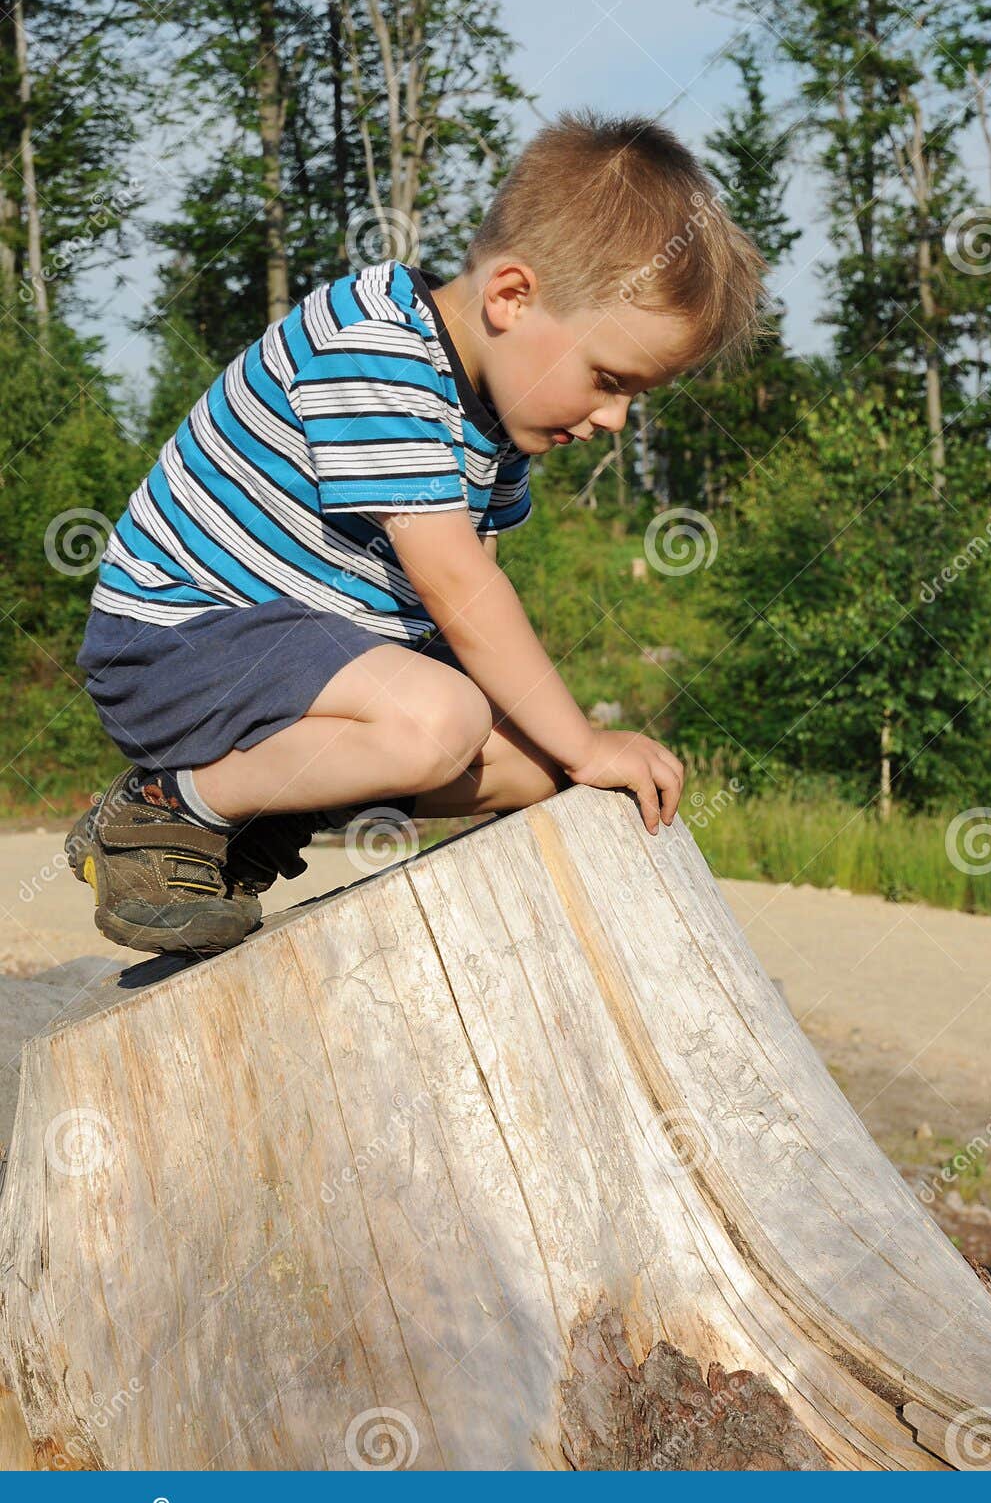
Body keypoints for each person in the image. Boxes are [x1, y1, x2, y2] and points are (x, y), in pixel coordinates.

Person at [66, 107, 766, 954]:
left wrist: (561, 750)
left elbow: (466, 601)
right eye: (606, 379)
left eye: (633, 397)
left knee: (529, 767)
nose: (614, 418)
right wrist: (587, 739)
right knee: (446, 723)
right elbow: (457, 586)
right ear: (512, 295)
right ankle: (165, 814)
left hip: (297, 659)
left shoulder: (493, 417)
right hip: (178, 645)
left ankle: (250, 811)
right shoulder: (376, 350)